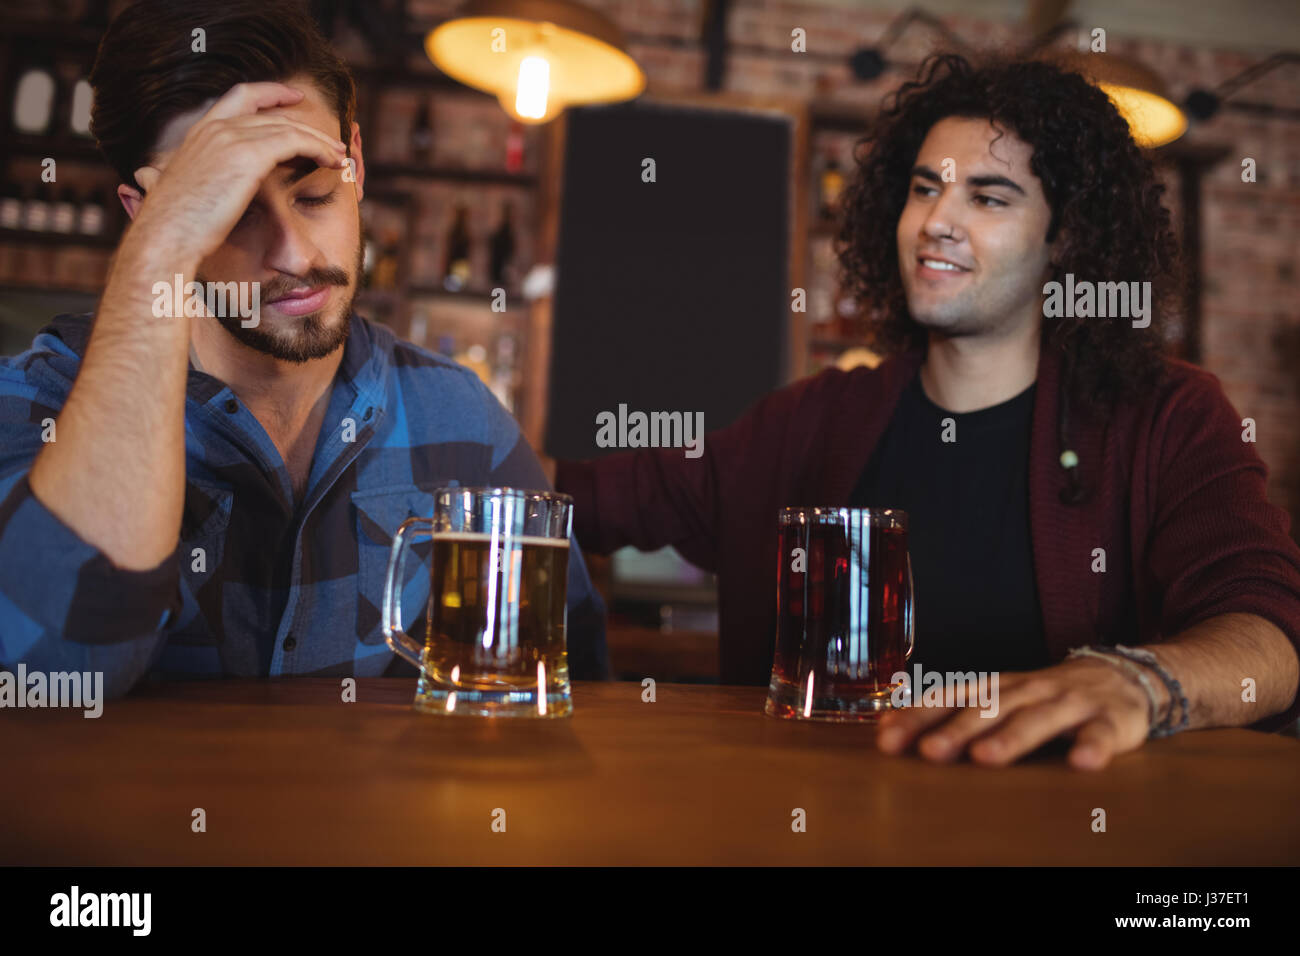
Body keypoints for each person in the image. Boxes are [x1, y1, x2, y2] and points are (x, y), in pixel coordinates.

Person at [555, 54, 1300, 768]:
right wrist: (444, 414)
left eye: (987, 196)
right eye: (923, 188)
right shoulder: (811, 422)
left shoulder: (1167, 417)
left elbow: (1270, 634)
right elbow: (575, 496)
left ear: (1065, 239)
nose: (937, 221)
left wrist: (1136, 680)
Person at [0, 0, 609, 694]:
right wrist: (160, 252)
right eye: (230, 211)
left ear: (354, 165)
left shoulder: (461, 424)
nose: (293, 254)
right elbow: (53, 672)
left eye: (315, 193)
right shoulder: (33, 408)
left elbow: (567, 685)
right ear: (145, 217)